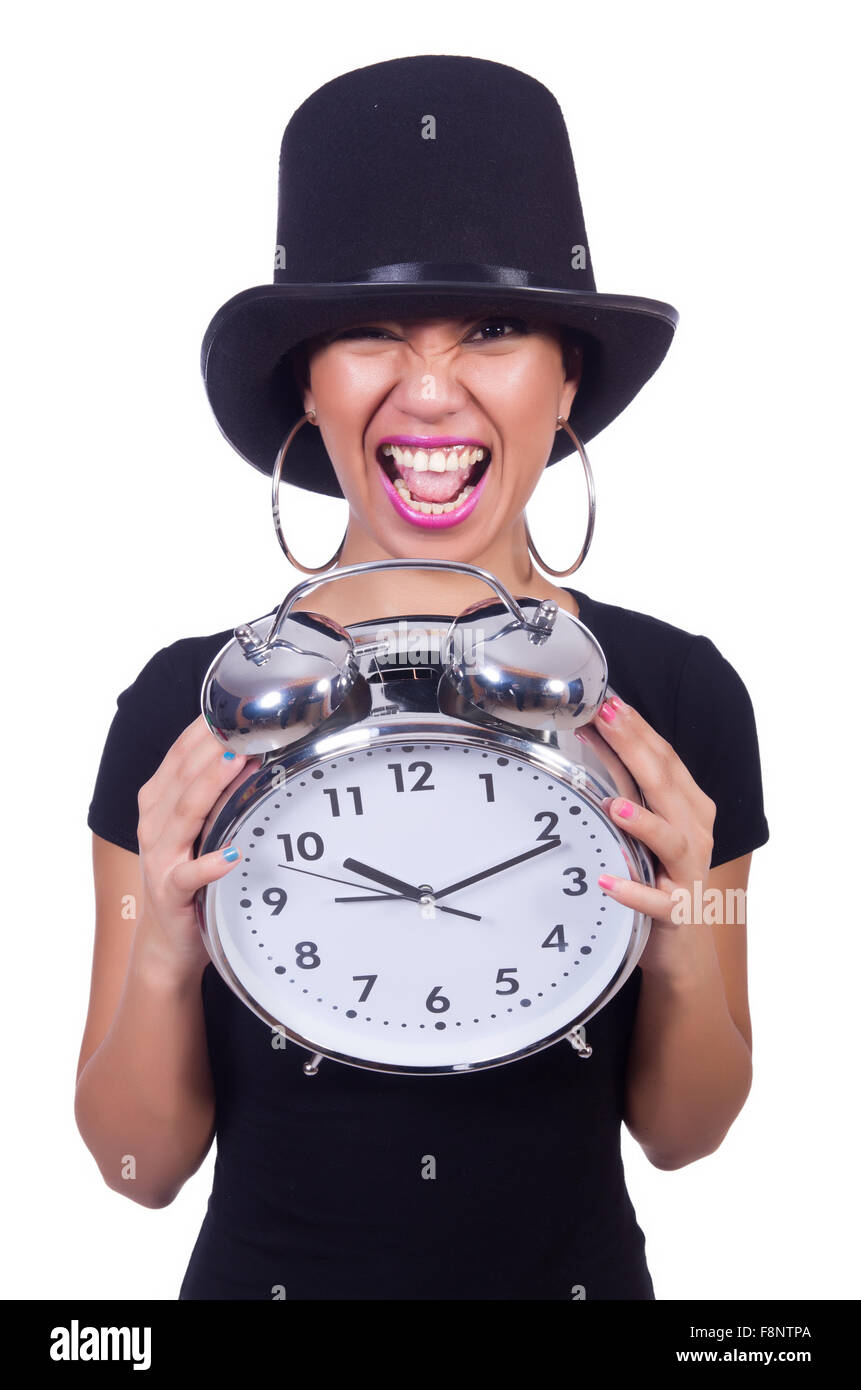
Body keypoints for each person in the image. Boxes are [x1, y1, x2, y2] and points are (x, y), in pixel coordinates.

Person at [75, 55, 769, 1301]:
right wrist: (165, 951)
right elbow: (138, 1168)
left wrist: (682, 944)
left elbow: (686, 1137)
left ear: (568, 377)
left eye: (493, 332)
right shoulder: (189, 708)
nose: (433, 390)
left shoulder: (677, 695)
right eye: (371, 334)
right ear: (308, 380)